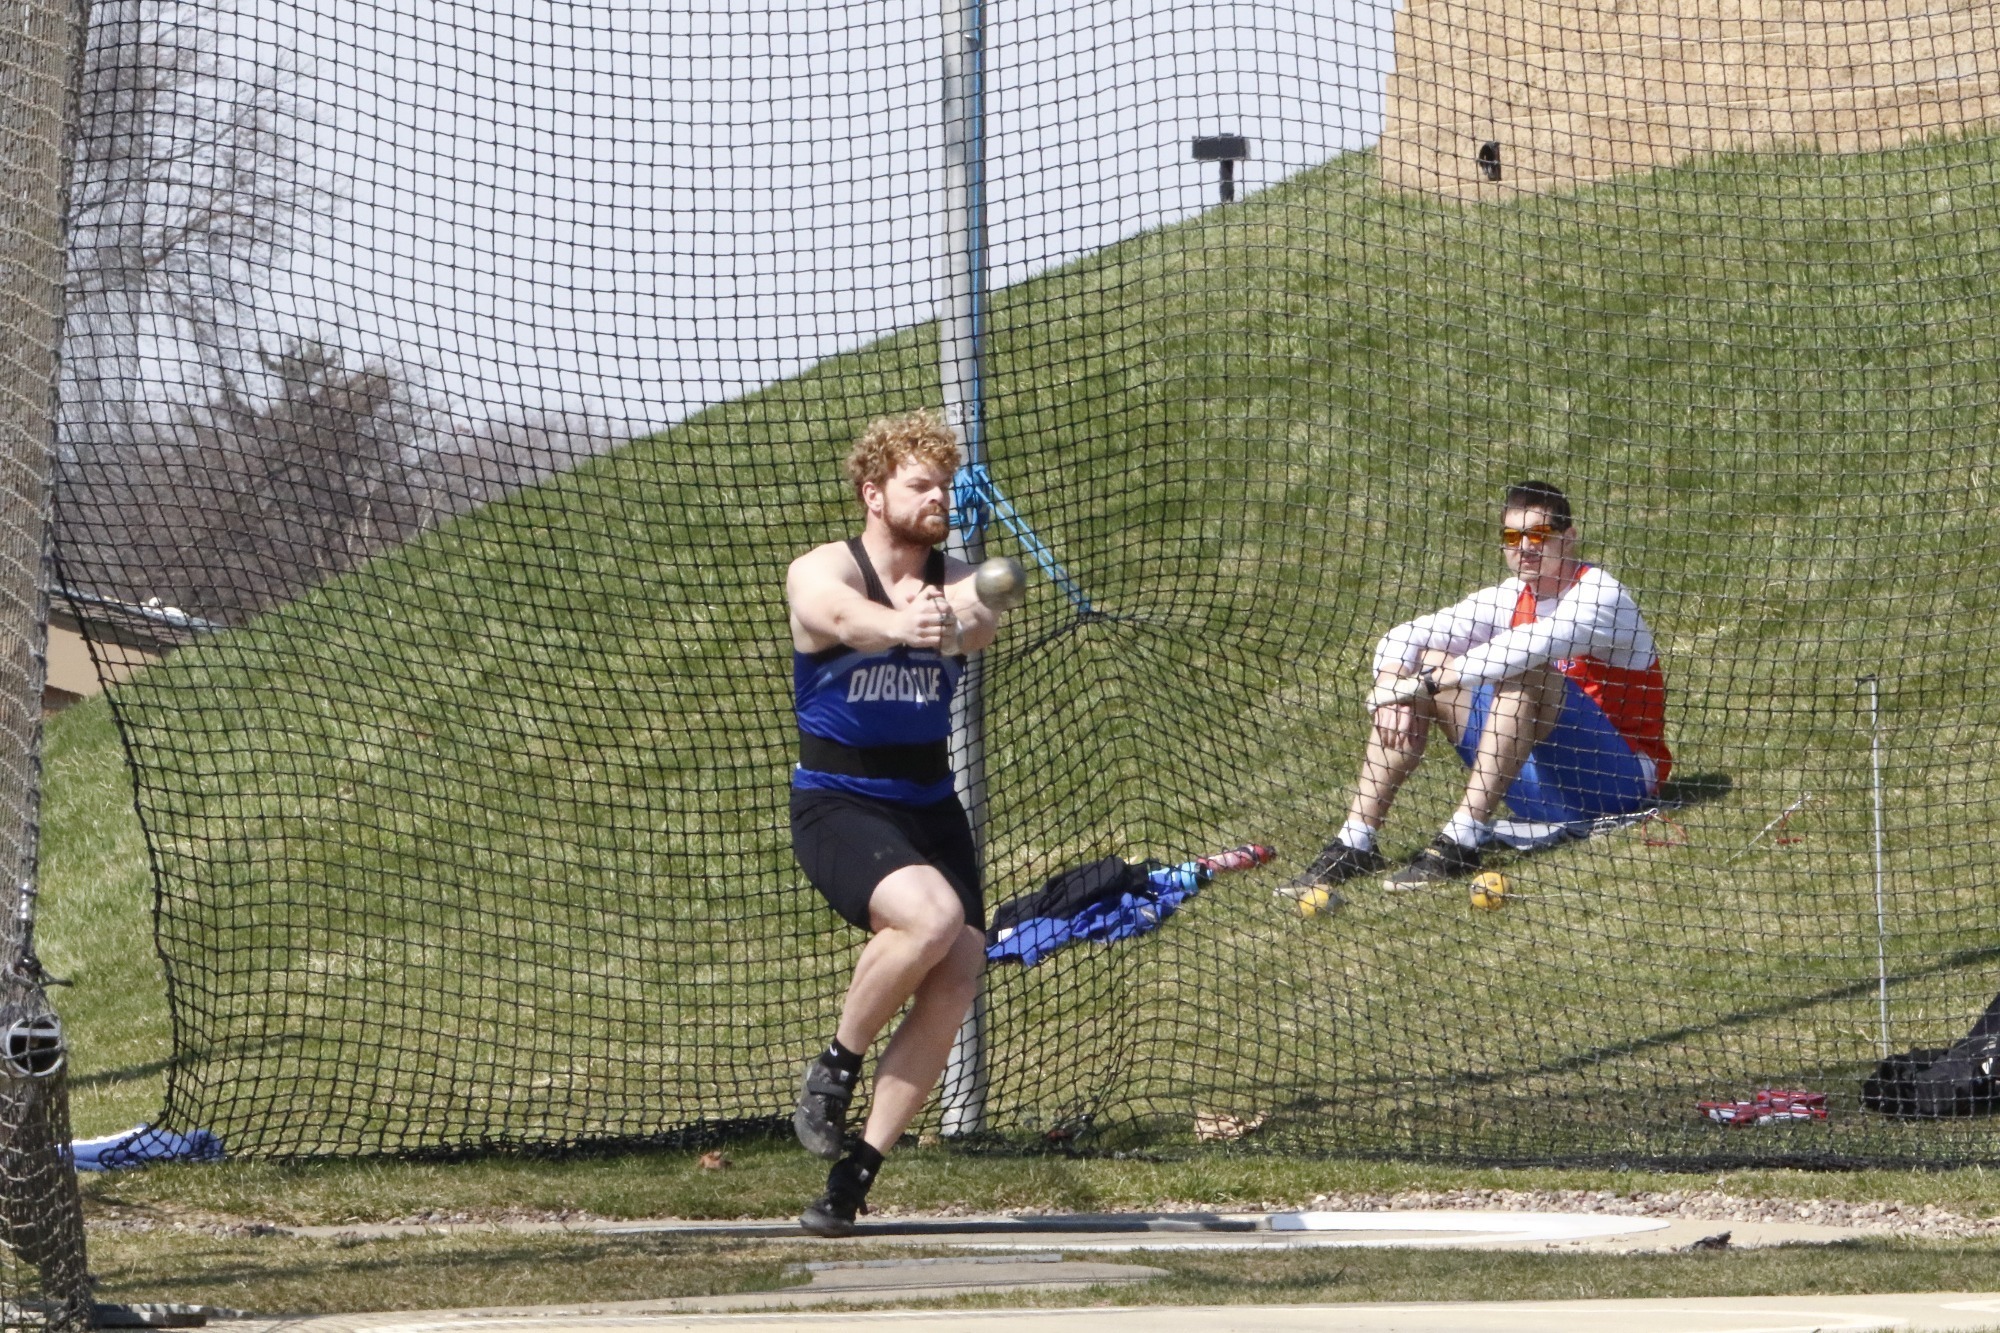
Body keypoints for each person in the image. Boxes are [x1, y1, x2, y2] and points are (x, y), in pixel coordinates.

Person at [784, 409, 1006, 1236]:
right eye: (921, 484)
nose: (939, 496)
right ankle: (834, 1070)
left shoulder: (957, 577)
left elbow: (980, 617)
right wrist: (899, 625)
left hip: (928, 803)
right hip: (841, 800)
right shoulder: (820, 570)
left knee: (959, 967)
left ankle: (853, 1179)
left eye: (945, 484)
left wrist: (952, 613)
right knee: (931, 916)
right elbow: (837, 620)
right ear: (874, 493)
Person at [1288, 481, 1672, 899]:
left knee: (1523, 666)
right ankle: (1355, 841)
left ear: (1570, 537)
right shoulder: (1509, 596)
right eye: (1512, 536)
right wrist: (1391, 686)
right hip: (1535, 800)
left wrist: (1426, 682)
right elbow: (1405, 635)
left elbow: (1528, 647)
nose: (1524, 547)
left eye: (1538, 535)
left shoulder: (1601, 592)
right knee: (1426, 658)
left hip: (1617, 787)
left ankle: (1462, 839)